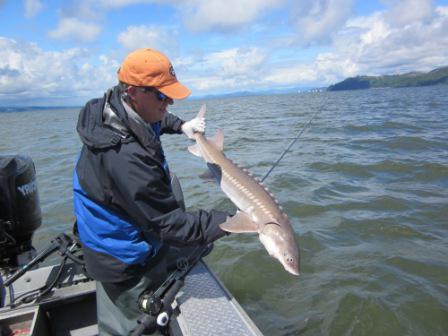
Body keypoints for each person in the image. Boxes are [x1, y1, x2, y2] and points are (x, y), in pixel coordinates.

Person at [72, 48, 230, 335]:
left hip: (115, 230)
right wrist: (233, 220)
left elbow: (158, 119)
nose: (168, 101)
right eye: (161, 95)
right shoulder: (124, 155)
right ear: (133, 92)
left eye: (170, 94)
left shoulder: (114, 109)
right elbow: (170, 224)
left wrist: (182, 125)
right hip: (121, 258)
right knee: (130, 326)